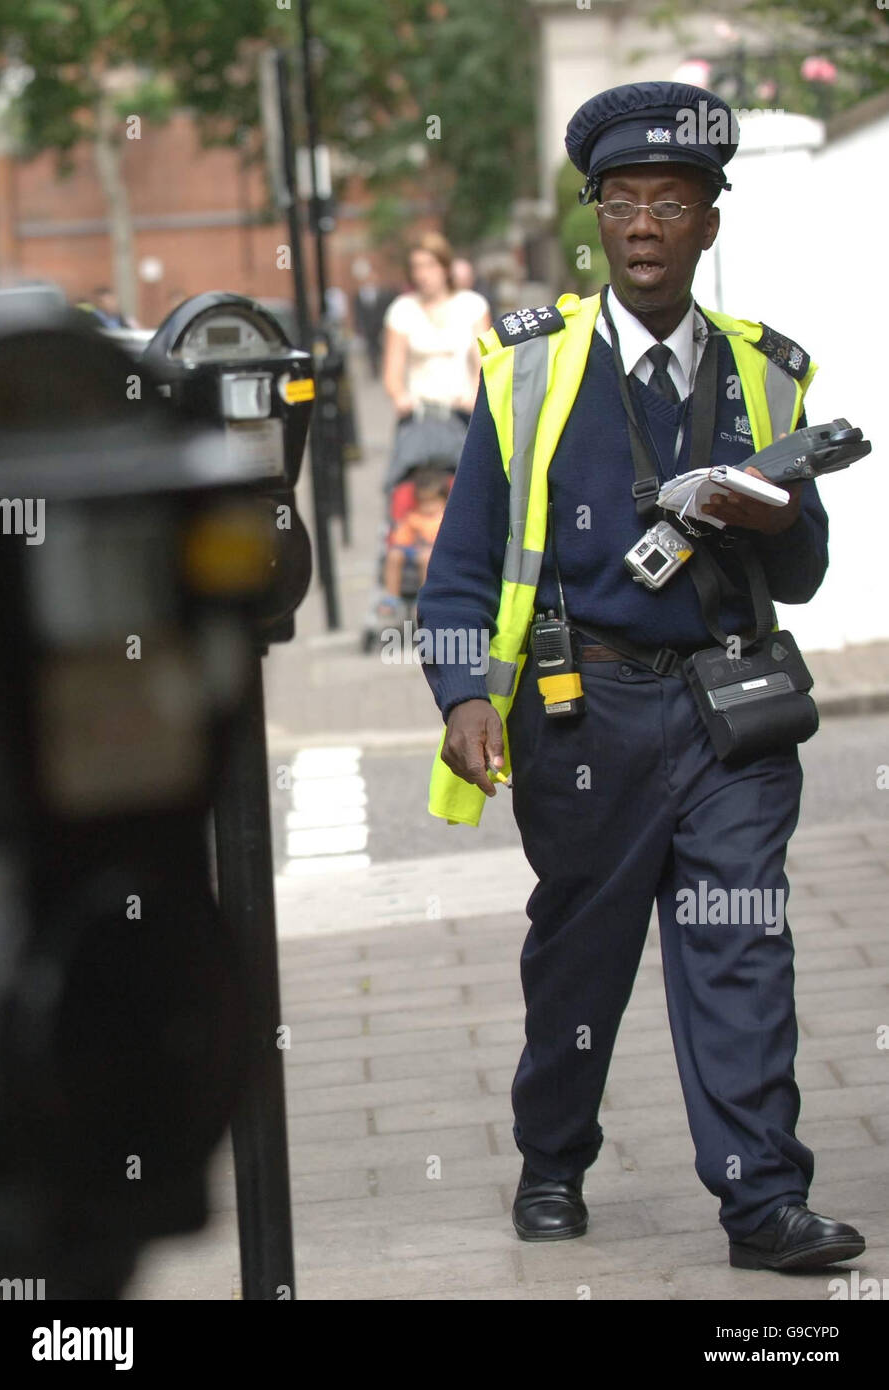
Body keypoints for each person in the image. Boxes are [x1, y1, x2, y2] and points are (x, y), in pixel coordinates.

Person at [417, 81, 866, 1272]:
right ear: (598, 221)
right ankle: (554, 1155)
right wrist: (465, 694)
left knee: (738, 942)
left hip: (732, 712)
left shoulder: (763, 375)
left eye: (674, 202)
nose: (647, 225)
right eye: (624, 202)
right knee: (581, 950)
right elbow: (459, 566)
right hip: (583, 720)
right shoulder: (524, 376)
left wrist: (765, 513)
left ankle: (762, 1201)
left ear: (708, 223)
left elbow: (809, 570)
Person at [382, 232, 490, 423]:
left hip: (463, 411)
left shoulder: (472, 305)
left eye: (430, 265)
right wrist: (400, 396)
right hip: (420, 413)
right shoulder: (403, 309)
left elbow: (483, 362)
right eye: (417, 267)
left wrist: (475, 393)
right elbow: (393, 371)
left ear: (446, 268)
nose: (423, 274)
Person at [382, 468, 450, 608]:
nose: (428, 508)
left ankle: (425, 596)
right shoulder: (414, 517)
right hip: (412, 549)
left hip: (433, 551)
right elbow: (401, 538)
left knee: (426, 557)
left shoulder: (444, 519)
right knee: (394, 555)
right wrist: (403, 532)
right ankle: (392, 596)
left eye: (433, 503)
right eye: (424, 503)